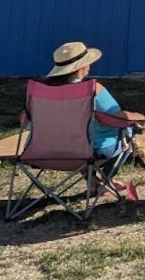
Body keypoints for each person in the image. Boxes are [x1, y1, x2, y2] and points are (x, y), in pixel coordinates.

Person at [44, 41, 138, 201]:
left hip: (46, 152)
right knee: (129, 131)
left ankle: (93, 181)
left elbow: (27, 122)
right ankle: (106, 181)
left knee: (77, 138)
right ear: (81, 67)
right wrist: (138, 117)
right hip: (88, 150)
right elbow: (118, 116)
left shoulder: (42, 92)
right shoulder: (93, 89)